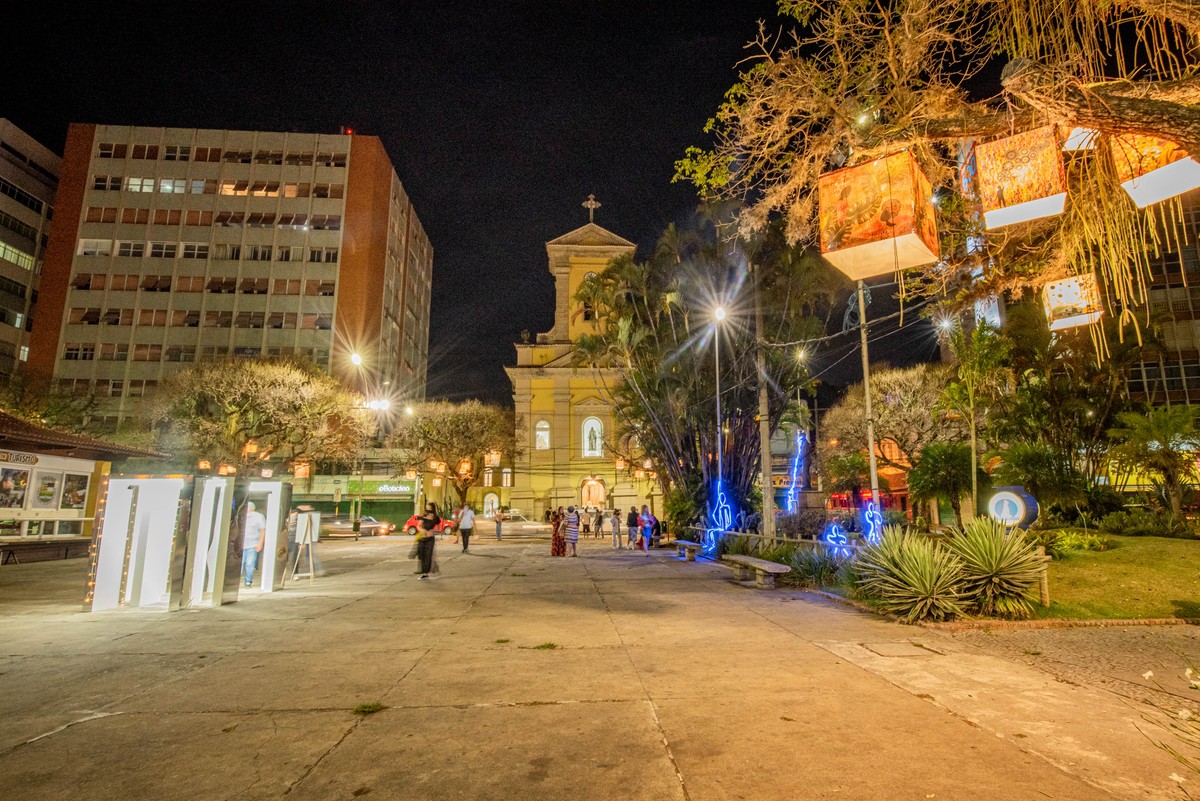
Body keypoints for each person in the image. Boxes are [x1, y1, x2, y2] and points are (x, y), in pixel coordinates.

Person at [242, 501, 267, 587]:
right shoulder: (259, 516)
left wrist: (260, 543)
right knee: (249, 564)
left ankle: (247, 581)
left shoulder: (258, 517)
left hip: (251, 544)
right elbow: (263, 530)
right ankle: (247, 581)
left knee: (248, 563)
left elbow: (263, 530)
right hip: (248, 544)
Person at [416, 503, 441, 580]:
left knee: (428, 555)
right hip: (422, 539)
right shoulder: (423, 517)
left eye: (430, 508)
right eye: (427, 508)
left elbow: (439, 529)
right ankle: (428, 569)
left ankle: (425, 574)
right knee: (421, 555)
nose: (428, 510)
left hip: (430, 539)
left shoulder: (436, 519)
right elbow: (418, 526)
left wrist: (433, 531)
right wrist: (423, 530)